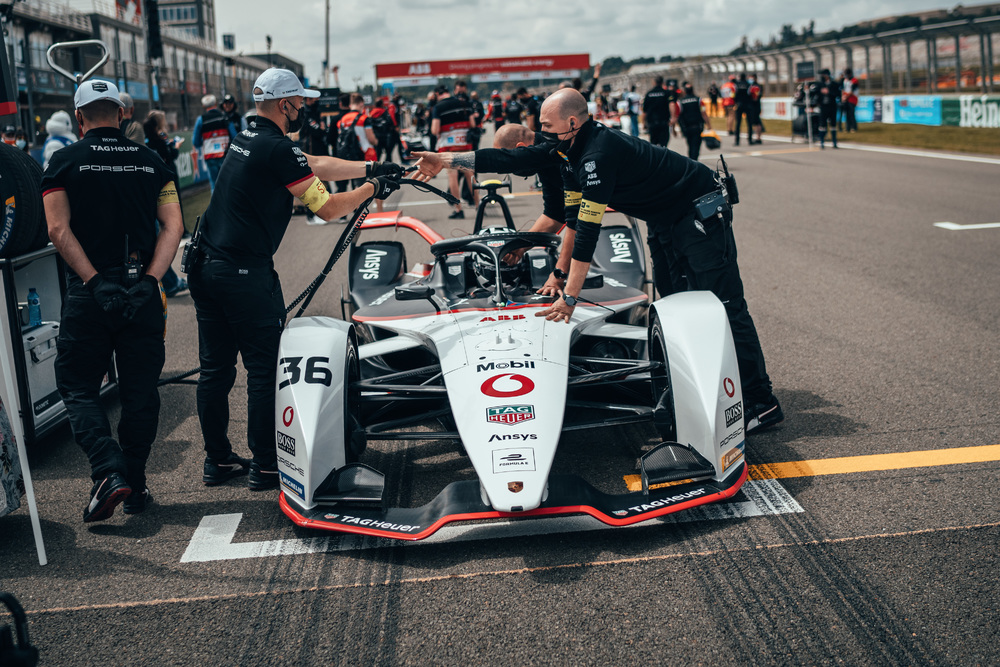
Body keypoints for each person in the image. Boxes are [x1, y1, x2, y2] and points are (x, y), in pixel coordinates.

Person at [413, 88, 783, 435]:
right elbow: (514, 161)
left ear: (572, 123)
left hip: (697, 207)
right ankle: (692, 389)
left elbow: (587, 230)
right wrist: (445, 159)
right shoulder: (564, 147)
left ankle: (760, 401)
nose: (541, 132)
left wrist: (570, 295)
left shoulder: (596, 155)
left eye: (546, 125)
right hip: (664, 215)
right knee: (671, 306)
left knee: (725, 305)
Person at [190, 68, 403, 491]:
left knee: (214, 371)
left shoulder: (248, 137)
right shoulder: (275, 148)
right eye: (300, 101)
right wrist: (372, 187)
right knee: (264, 370)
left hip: (206, 265)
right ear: (285, 104)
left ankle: (217, 460)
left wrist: (371, 165)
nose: (304, 107)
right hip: (243, 274)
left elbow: (313, 164)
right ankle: (266, 464)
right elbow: (326, 208)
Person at [40, 79, 184, 521]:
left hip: (90, 296)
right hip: (141, 292)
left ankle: (108, 470)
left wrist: (95, 282)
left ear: (80, 117)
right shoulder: (153, 161)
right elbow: (173, 227)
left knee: (77, 385)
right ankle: (135, 485)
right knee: (140, 392)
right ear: (121, 114)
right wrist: (150, 281)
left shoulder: (63, 162)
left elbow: (58, 231)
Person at [143, 109, 188, 297]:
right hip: (163, 183)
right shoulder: (159, 139)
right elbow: (169, 156)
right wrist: (175, 146)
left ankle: (167, 281)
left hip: (150, 187)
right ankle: (168, 282)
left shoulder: (147, 140)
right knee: (166, 230)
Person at [431, 83, 477, 219]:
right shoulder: (464, 103)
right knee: (470, 175)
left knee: (453, 176)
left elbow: (434, 130)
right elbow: (473, 124)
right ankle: (479, 205)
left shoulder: (438, 107)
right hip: (466, 144)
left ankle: (458, 209)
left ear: (437, 94)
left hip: (448, 146)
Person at [192, 94, 237, 192]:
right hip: (225, 155)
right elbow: (234, 136)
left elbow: (196, 142)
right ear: (216, 104)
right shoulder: (224, 117)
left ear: (204, 106)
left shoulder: (201, 120)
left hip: (210, 156)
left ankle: (216, 207)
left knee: (214, 186)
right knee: (227, 184)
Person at [676, 83, 711, 160]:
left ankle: (692, 160)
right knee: (696, 146)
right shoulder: (699, 100)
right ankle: (694, 160)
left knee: (690, 145)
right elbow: (704, 113)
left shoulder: (680, 102)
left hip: (687, 128)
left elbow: (678, 115)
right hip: (697, 127)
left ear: (685, 91)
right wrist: (709, 125)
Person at [642, 76, 673, 148]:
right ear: (662, 83)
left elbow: (644, 111)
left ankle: (656, 159)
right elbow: (672, 105)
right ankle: (663, 158)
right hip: (663, 122)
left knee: (654, 146)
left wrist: (644, 123)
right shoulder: (666, 93)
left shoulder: (648, 94)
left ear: (654, 82)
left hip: (652, 123)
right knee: (664, 145)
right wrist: (673, 117)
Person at [816, 69, 841, 149]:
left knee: (833, 124)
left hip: (832, 106)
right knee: (822, 124)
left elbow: (838, 94)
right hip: (823, 107)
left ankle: (834, 142)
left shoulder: (834, 84)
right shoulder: (820, 85)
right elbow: (817, 95)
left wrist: (828, 92)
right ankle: (822, 142)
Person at [841, 68, 859, 132]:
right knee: (847, 114)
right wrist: (843, 97)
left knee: (851, 114)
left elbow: (852, 91)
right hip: (846, 98)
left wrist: (846, 96)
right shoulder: (845, 81)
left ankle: (853, 127)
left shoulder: (854, 80)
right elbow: (843, 89)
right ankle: (847, 127)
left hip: (852, 99)